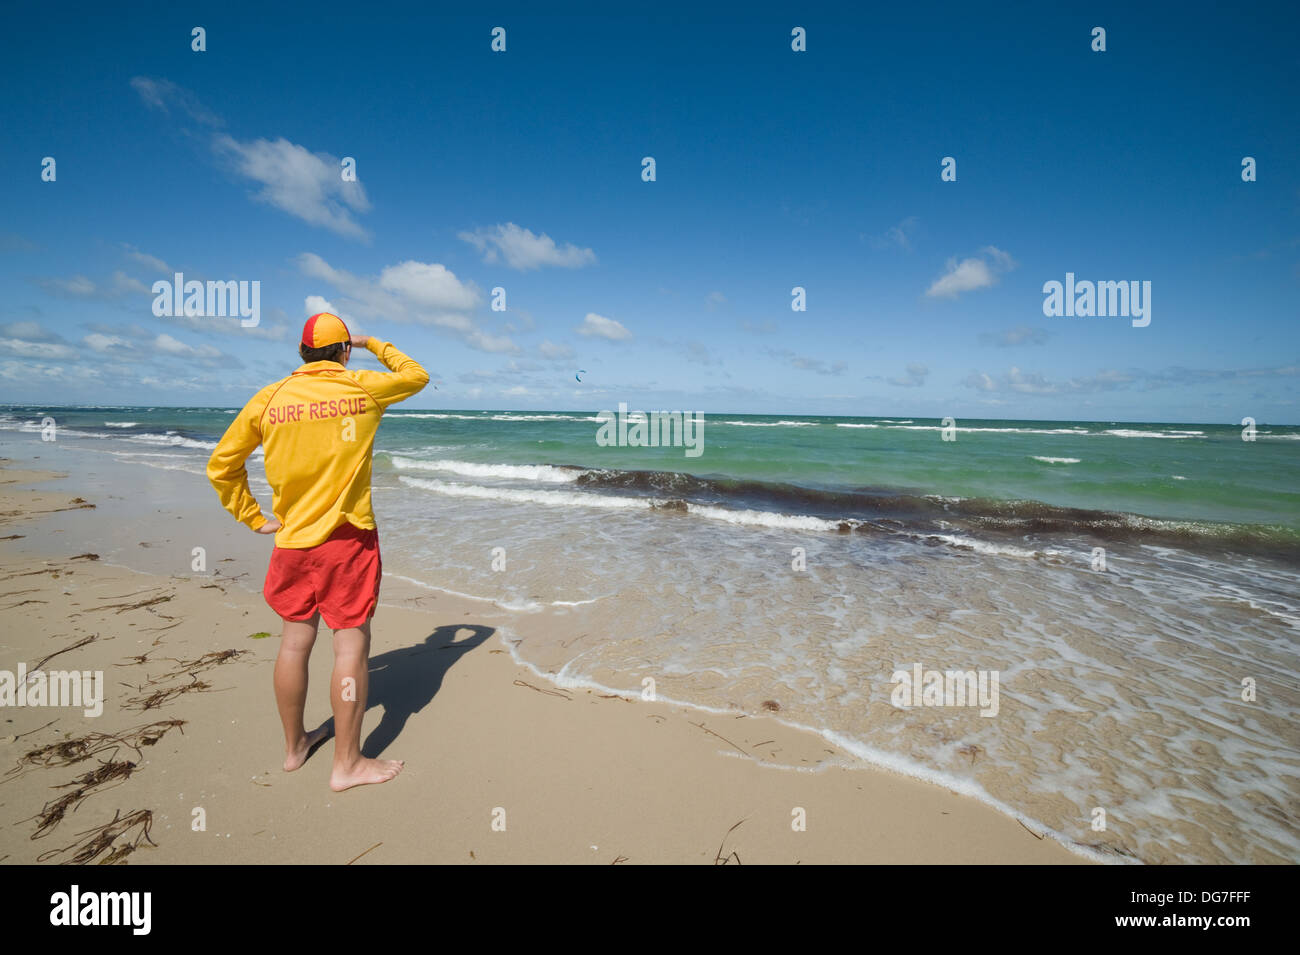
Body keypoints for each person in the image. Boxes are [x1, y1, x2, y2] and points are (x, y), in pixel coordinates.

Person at [207, 312, 429, 791]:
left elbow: (222, 465)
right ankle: (347, 764)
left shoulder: (270, 398)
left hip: (291, 541)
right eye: (349, 347)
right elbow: (416, 375)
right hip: (347, 541)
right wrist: (373, 343)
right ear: (344, 350)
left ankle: (294, 748)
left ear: (301, 352)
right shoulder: (363, 387)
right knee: (350, 646)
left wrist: (252, 516)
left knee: (294, 643)